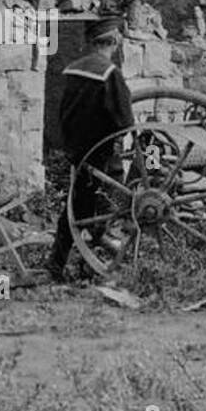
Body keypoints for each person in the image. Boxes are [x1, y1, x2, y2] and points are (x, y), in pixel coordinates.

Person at [47, 16, 135, 282]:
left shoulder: (73, 69)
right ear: (115, 40)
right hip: (104, 155)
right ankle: (99, 264)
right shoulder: (110, 74)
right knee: (108, 208)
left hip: (79, 152)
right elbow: (125, 121)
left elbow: (63, 112)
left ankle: (57, 263)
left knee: (75, 207)